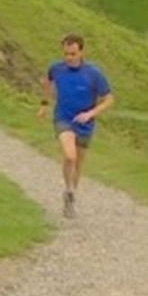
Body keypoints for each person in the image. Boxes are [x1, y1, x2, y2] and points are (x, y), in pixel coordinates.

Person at [37, 34, 115, 218]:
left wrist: (90, 113)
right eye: (66, 53)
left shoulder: (94, 73)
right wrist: (44, 105)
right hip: (63, 118)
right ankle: (68, 188)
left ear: (82, 52)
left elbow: (109, 99)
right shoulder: (56, 69)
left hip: (85, 123)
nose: (68, 58)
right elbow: (48, 82)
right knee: (69, 156)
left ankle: (70, 194)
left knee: (78, 163)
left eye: (72, 54)